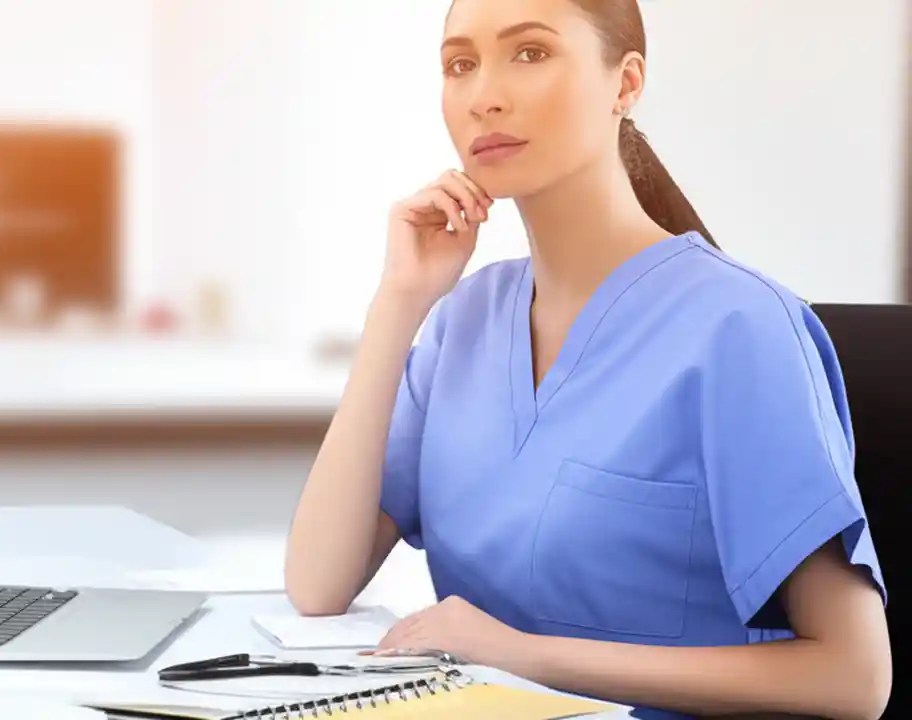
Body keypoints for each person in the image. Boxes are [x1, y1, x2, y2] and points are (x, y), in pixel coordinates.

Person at [282, 1, 892, 718]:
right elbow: (317, 585)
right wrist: (397, 303)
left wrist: (522, 654)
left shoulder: (740, 330)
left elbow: (854, 679)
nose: (485, 96)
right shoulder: (463, 324)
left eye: (531, 53)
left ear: (626, 84)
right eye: (460, 65)